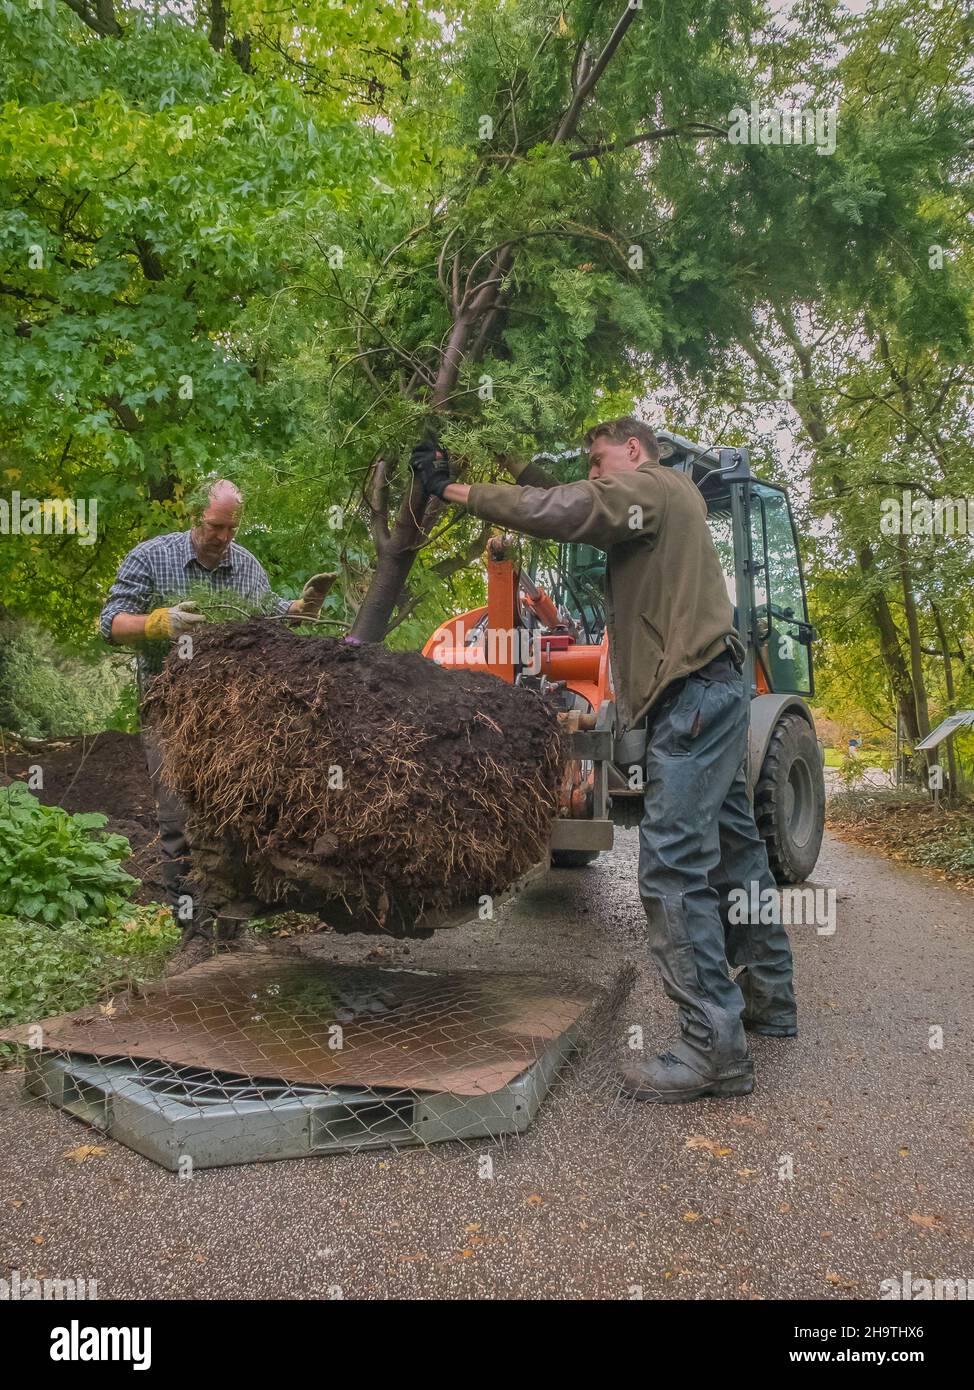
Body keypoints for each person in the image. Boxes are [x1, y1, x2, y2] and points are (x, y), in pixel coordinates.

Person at [409, 420, 796, 1104]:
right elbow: (569, 496)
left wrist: (451, 489)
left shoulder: (647, 488)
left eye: (597, 460)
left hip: (689, 702)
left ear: (635, 451)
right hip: (712, 692)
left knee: (673, 869)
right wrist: (510, 460)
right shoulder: (666, 499)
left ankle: (715, 1050)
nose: (592, 473)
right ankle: (770, 996)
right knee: (738, 852)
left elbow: (566, 508)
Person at [100, 477, 335, 942]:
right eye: (215, 527)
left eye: (231, 528)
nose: (224, 538)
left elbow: (269, 615)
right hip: (170, 712)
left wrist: (300, 607)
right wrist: (156, 622)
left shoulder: (245, 565)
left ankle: (232, 925)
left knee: (238, 815)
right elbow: (110, 623)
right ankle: (194, 932)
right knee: (179, 822)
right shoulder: (151, 557)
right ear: (194, 517)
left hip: (235, 717)